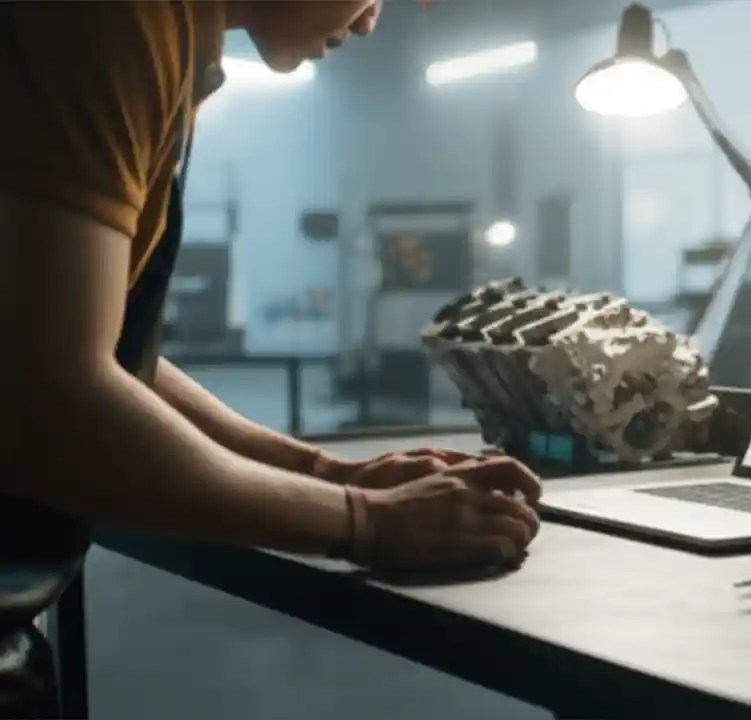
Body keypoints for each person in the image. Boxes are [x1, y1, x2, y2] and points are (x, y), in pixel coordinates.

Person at [0, 2, 542, 714]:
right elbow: (48, 397)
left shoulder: (165, 36)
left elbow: (92, 347)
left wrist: (327, 472)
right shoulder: (113, 19)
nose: (373, 19)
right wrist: (366, 521)